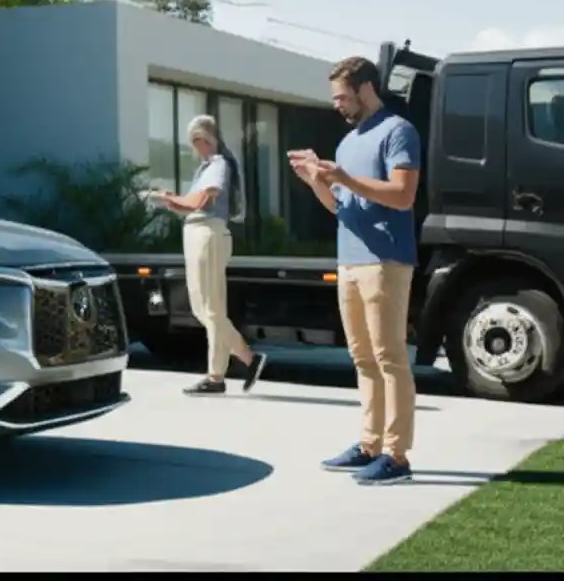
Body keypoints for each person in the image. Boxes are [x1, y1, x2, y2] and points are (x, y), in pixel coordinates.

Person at [287, 55, 421, 486]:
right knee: (362, 358)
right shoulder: (346, 144)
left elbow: (403, 196)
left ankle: (397, 457)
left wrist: (344, 177)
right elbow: (340, 209)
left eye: (343, 96)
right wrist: (317, 180)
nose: (338, 105)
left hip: (386, 261)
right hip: (350, 261)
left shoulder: (398, 131)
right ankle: (369, 446)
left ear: (366, 88)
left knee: (390, 359)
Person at [151, 114, 267, 396]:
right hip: (201, 232)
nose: (196, 146)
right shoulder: (209, 167)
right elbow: (192, 204)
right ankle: (225, 372)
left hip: (206, 233)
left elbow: (202, 201)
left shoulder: (217, 165)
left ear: (207, 139)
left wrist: (169, 199)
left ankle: (235, 366)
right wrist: (169, 200)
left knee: (209, 308)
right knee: (207, 308)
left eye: (197, 140)